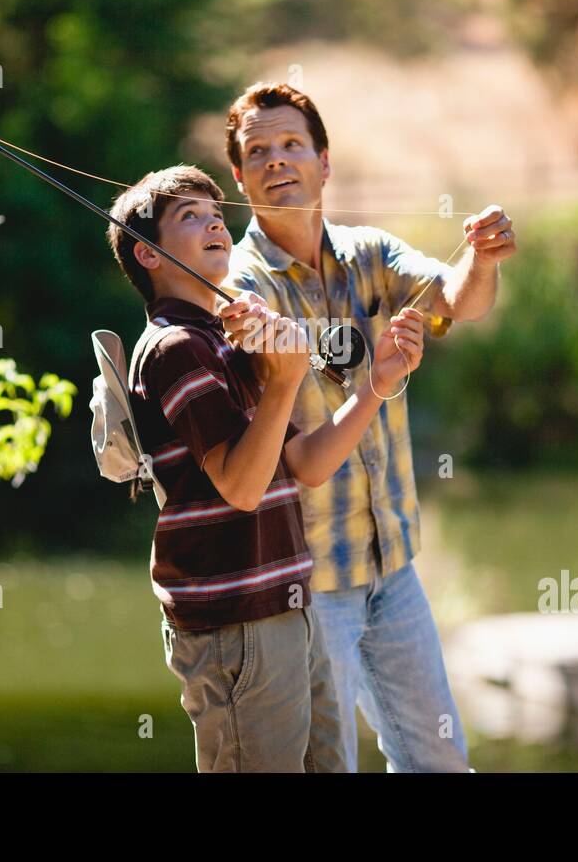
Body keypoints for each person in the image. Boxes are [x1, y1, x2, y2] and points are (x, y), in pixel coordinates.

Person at [221, 84, 517, 772]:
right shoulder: (241, 285)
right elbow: (291, 456)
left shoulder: (369, 253)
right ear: (239, 177)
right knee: (330, 767)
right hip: (309, 584)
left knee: (440, 759)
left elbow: (458, 299)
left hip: (395, 567)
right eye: (258, 151)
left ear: (325, 162)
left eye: (293, 144)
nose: (277, 161)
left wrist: (485, 258)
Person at [104, 164, 428, 772]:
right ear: (147, 254)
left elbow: (302, 464)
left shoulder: (228, 342)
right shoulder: (177, 348)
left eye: (216, 214)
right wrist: (281, 381)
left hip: (288, 606)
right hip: (235, 625)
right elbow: (242, 487)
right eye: (189, 217)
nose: (214, 224)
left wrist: (377, 385)